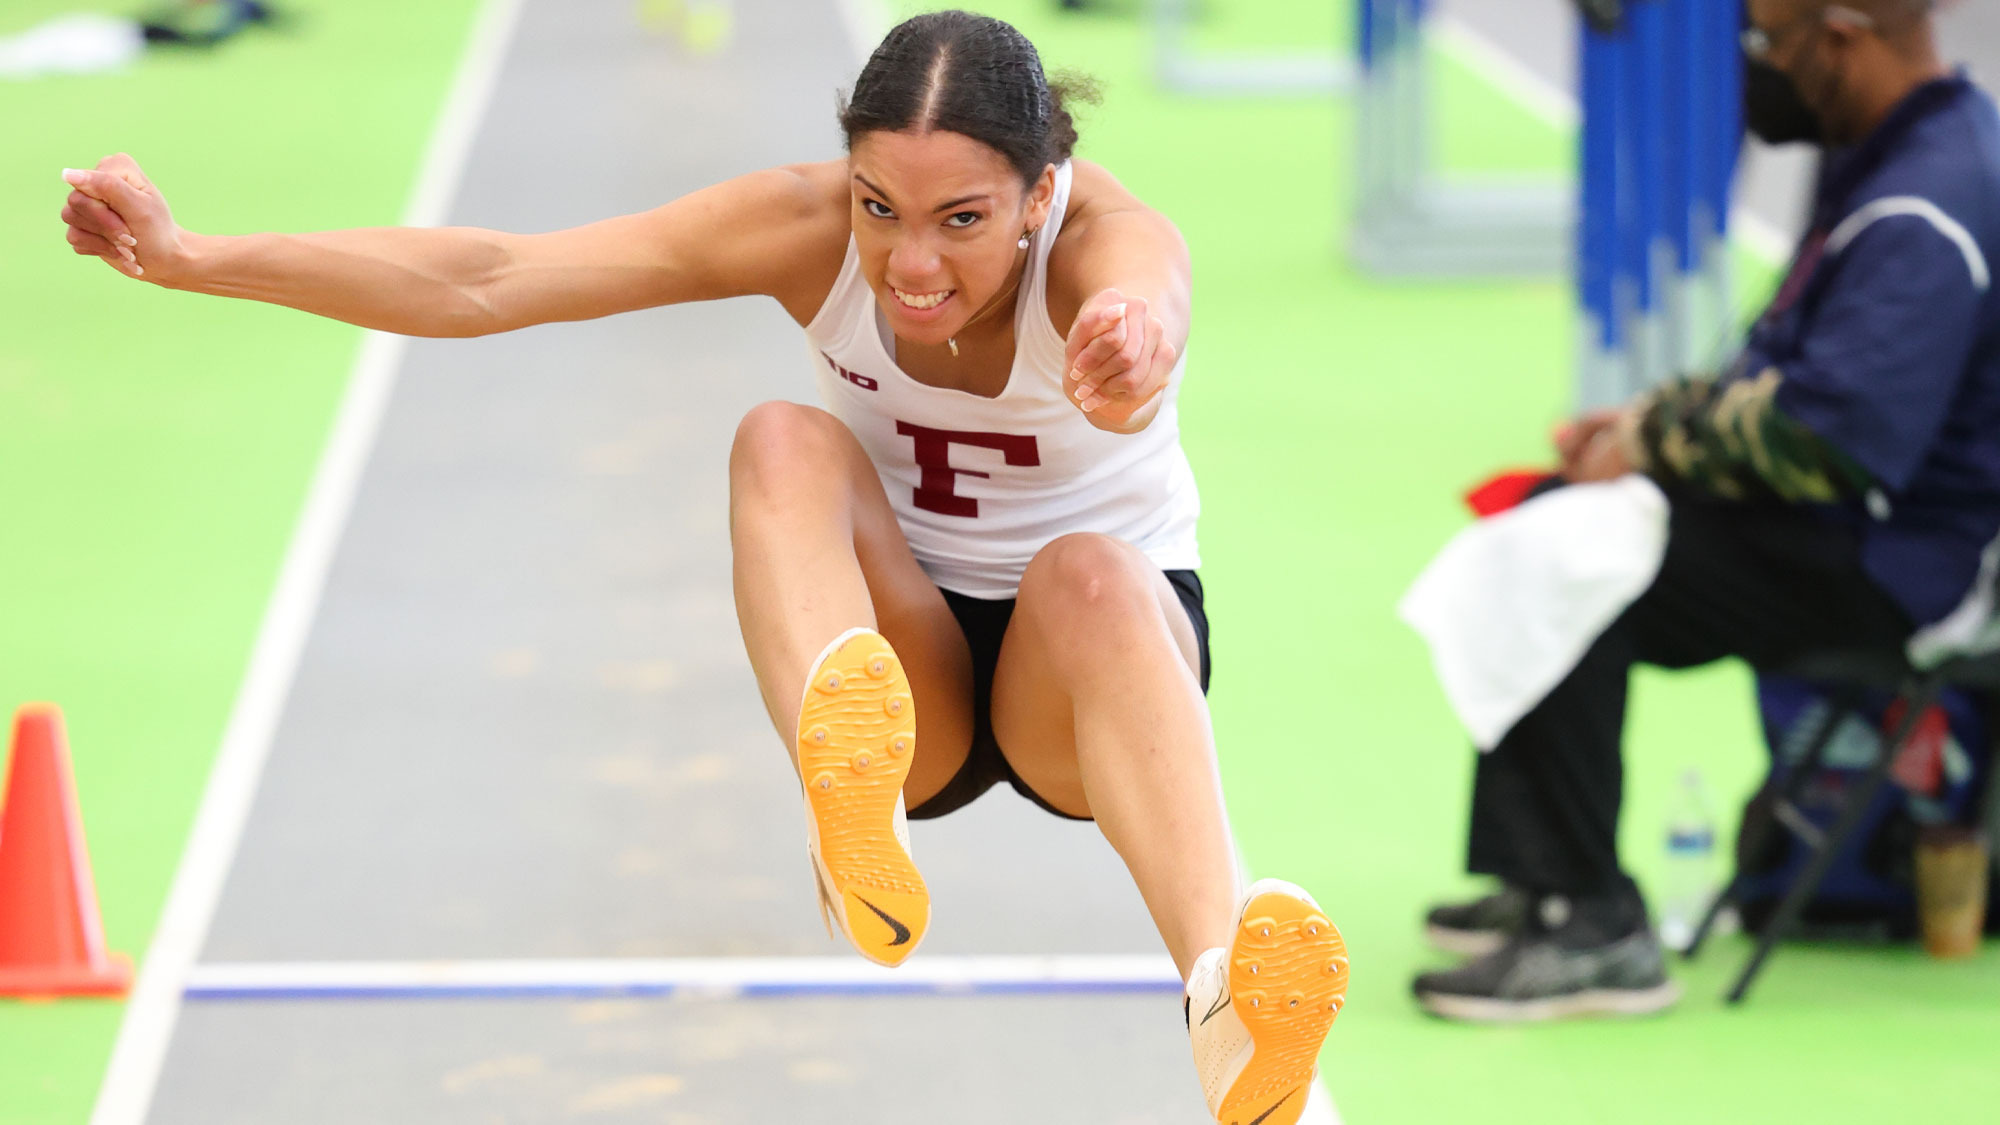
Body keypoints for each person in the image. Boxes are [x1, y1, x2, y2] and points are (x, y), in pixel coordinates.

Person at [59, 10, 1346, 1120]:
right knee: (778, 440)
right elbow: (496, 275)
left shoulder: (1103, 254)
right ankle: (852, 811)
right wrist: (194, 259)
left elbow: (1148, 303)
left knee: (1090, 570)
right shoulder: (801, 227)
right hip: (912, 657)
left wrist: (1134, 344)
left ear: (1041, 188)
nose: (908, 265)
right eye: (878, 207)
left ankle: (1224, 994)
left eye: (961, 221)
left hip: (1092, 685)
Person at [1414, 0, 2000, 1022]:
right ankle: (1545, 879)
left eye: (1766, 44)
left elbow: (1831, 437)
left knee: (1570, 551)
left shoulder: (1927, 202)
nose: (1752, 66)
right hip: (1854, 527)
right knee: (1555, 513)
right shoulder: (1887, 149)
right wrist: (1644, 429)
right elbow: (1790, 380)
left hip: (1909, 572)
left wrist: (1649, 442)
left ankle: (1597, 928)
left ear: (1843, 33)